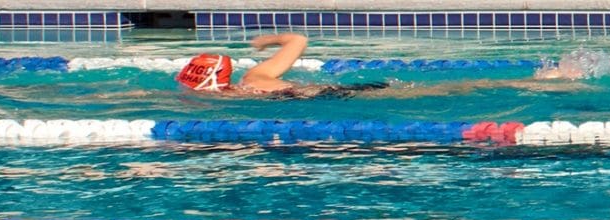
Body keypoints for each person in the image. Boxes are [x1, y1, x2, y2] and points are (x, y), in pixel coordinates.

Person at [173, 33, 582, 98]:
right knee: (456, 88)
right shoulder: (255, 76)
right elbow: (299, 39)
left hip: (337, 98)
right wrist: (267, 40)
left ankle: (541, 83)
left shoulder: (241, 95)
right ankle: (541, 80)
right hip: (333, 95)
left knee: (453, 90)